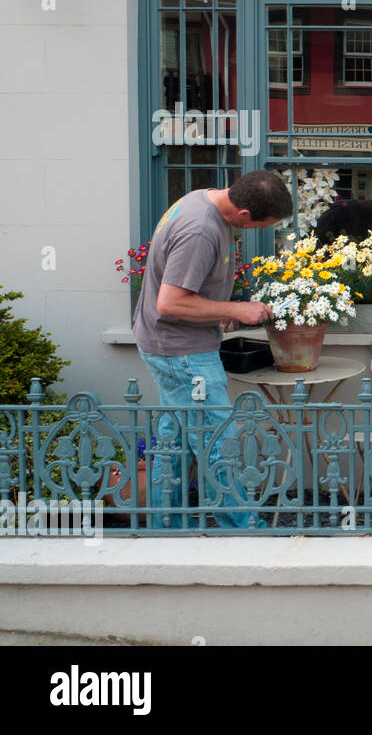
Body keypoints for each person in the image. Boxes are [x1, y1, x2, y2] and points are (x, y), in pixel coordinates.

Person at [132, 171, 292, 528]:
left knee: (174, 441)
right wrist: (235, 309)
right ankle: (243, 529)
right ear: (245, 215)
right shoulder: (200, 230)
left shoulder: (201, 199)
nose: (258, 232)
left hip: (170, 345)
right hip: (183, 353)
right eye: (261, 226)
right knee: (221, 441)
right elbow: (170, 303)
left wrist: (215, 310)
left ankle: (165, 529)